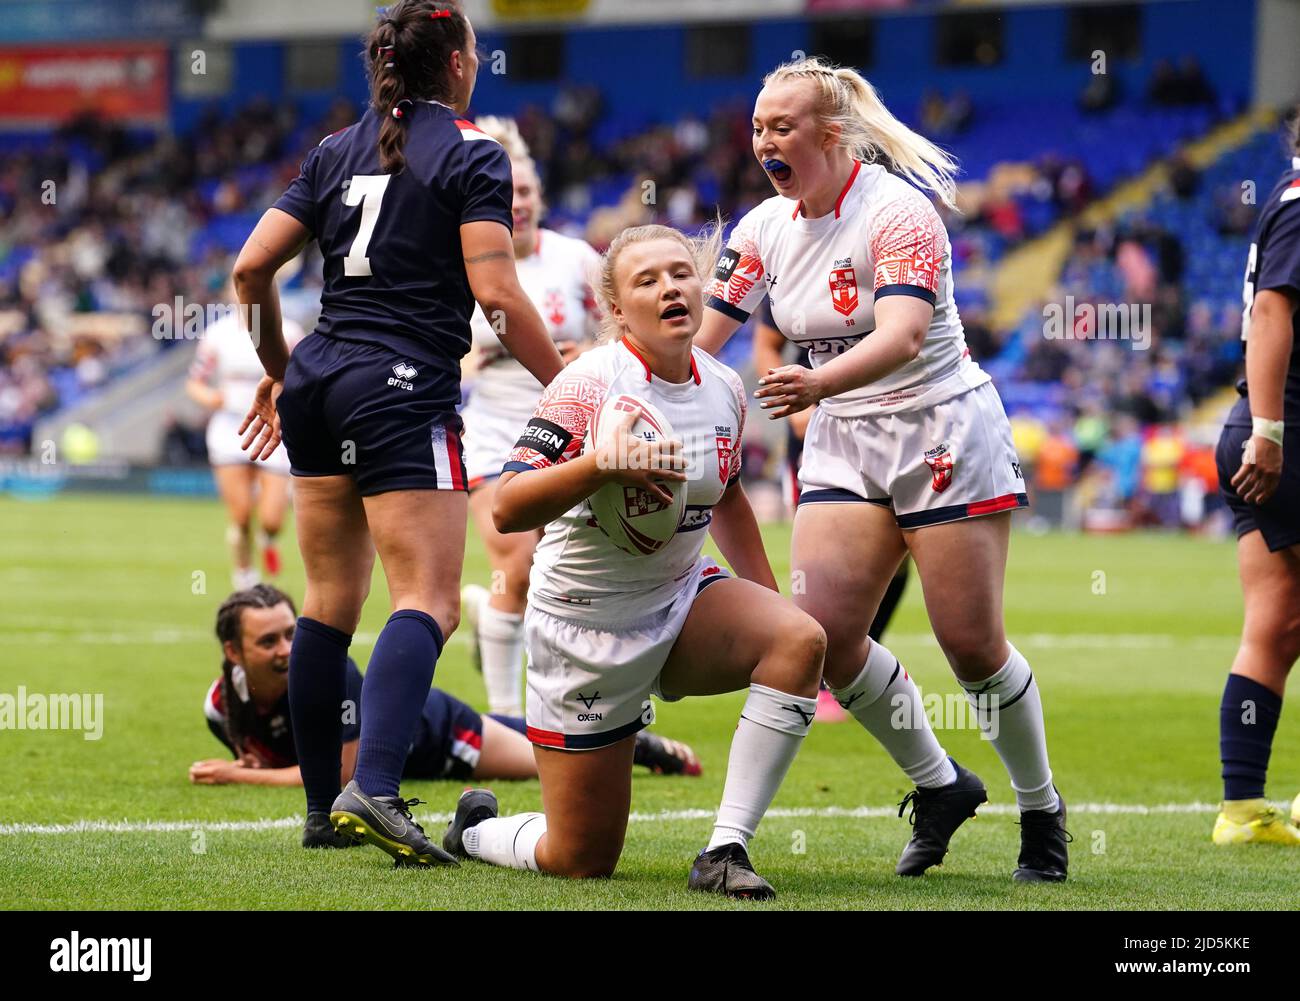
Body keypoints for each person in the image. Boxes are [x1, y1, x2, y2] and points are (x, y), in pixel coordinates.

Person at [695, 56, 1069, 882]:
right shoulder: (762, 229)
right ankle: (940, 784)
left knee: (971, 646)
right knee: (822, 639)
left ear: (832, 134)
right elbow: (695, 343)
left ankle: (1042, 808)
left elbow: (900, 335)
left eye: (781, 127)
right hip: (844, 436)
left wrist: (813, 380)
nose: (764, 142)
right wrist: (618, 388)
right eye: (757, 128)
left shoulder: (899, 212)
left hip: (940, 428)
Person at [232, 0, 565, 866]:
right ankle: (374, 789)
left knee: (328, 603)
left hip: (319, 376)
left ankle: (320, 810)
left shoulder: (333, 150)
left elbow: (249, 267)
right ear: (457, 64)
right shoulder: (473, 152)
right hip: (403, 384)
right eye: (476, 50)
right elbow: (496, 296)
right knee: (426, 599)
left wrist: (277, 363)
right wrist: (571, 389)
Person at [441, 224, 826, 900]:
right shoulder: (587, 384)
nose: (671, 287)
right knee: (581, 857)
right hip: (583, 628)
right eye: (646, 280)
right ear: (616, 309)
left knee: (800, 639)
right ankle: (474, 829)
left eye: (681, 273)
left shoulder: (725, 387)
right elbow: (506, 506)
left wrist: (770, 600)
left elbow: (729, 494)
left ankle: (725, 849)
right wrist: (600, 464)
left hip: (681, 598)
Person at [190, 585, 700, 850]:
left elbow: (342, 775)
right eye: (267, 641)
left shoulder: (331, 674)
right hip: (408, 742)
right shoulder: (221, 706)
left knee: (547, 759)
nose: (288, 649)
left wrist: (238, 774)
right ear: (234, 652)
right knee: (523, 731)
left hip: (435, 734)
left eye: (291, 633)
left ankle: (638, 746)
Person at [459, 116, 601, 717]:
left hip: (572, 438)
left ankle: (578, 695)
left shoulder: (578, 260)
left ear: (539, 195)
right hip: (492, 436)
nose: (515, 203)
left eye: (524, 192)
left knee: (566, 574)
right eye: (503, 194)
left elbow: (626, 328)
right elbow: (450, 355)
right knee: (516, 567)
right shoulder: (462, 269)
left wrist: (588, 353)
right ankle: (506, 718)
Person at [753, 298, 909, 725]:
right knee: (821, 554)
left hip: (892, 417)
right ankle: (824, 678)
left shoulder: (890, 262)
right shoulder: (794, 261)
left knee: (900, 549)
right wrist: (794, 397)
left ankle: (856, 663)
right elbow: (767, 344)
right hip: (821, 422)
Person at [1212, 117, 1300, 846]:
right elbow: (1273, 307)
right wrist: (1271, 431)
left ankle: (1243, 811)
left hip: (1261, 425)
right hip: (1285, 430)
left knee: (1276, 622)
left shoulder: (1285, 193)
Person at [186, 284, 303, 589]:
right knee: (239, 515)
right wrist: (214, 399)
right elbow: (195, 382)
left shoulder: (288, 331)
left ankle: (268, 540)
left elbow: (303, 376)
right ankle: (245, 576)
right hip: (230, 429)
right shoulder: (217, 334)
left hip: (273, 428)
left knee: (272, 518)